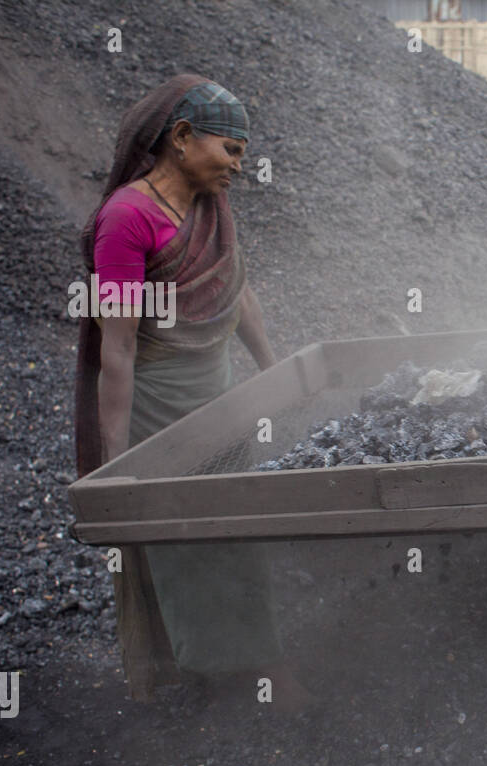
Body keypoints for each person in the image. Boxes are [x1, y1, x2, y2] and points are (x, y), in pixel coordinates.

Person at [74, 74, 315, 713]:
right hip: (160, 406)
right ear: (181, 138)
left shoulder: (209, 207)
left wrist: (271, 367)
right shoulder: (126, 220)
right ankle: (251, 672)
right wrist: (118, 461)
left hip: (221, 395)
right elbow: (117, 350)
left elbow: (237, 291)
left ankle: (237, 666)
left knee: (239, 529)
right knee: (190, 541)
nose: (240, 165)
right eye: (230, 150)